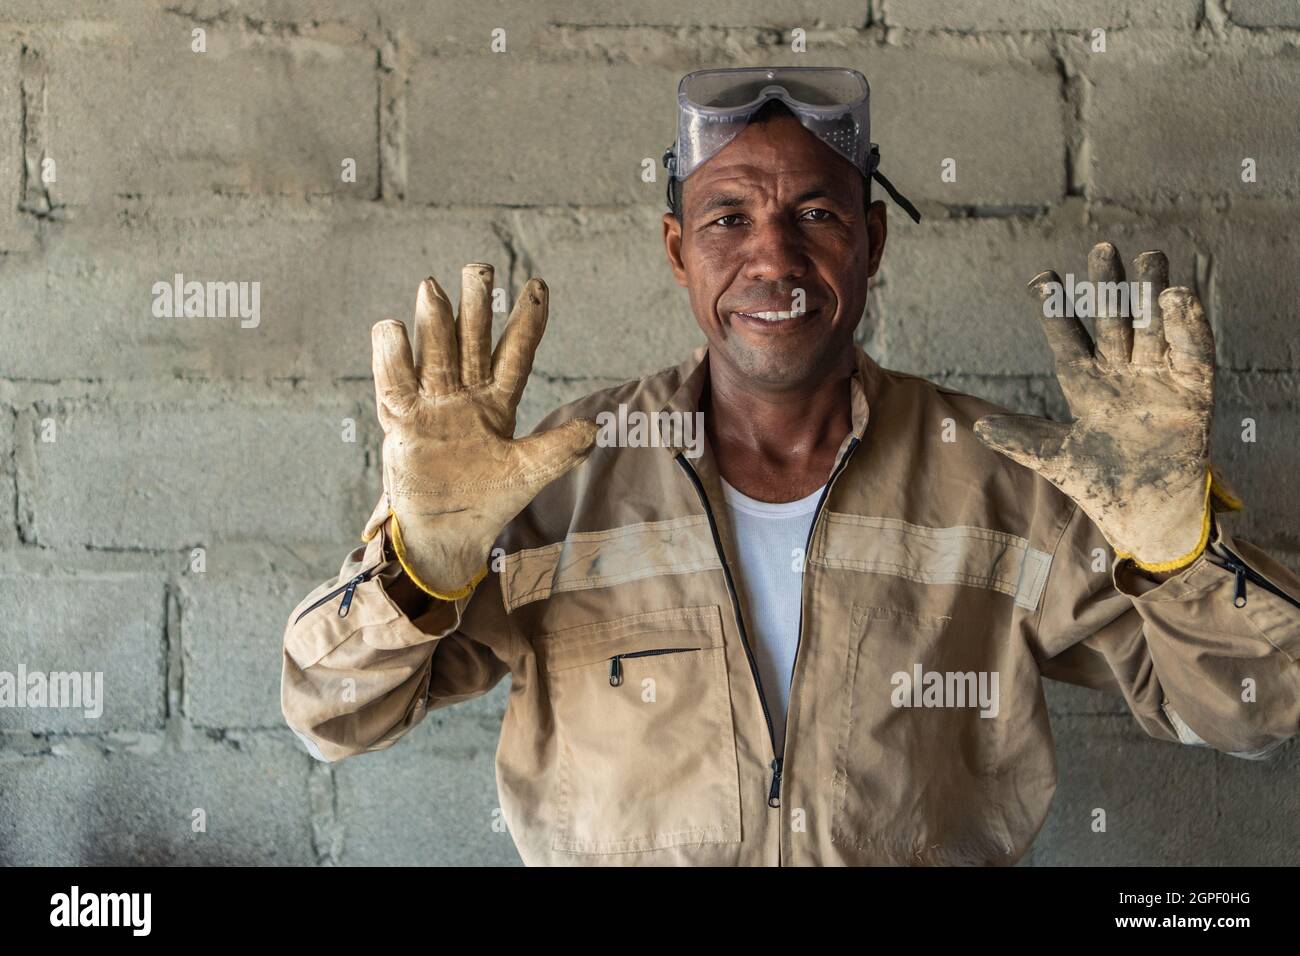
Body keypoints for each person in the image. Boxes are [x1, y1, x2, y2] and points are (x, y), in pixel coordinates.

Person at [280, 67, 1300, 866]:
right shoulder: (561, 480)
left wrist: (1181, 552)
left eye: (814, 213)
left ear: (872, 237)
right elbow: (332, 717)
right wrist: (416, 565)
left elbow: (1257, 713)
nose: (772, 257)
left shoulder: (1003, 482)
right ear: (679, 250)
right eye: (728, 218)